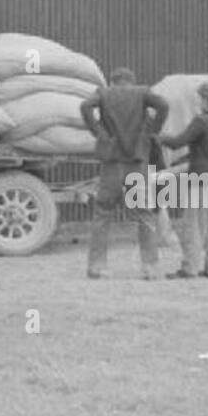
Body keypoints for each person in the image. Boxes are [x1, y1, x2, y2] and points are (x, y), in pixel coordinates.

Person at [80, 69, 169, 279]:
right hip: (136, 163)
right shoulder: (142, 92)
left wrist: (99, 133)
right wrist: (151, 132)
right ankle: (150, 267)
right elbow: (164, 105)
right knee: (144, 215)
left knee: (103, 214)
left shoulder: (104, 93)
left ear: (113, 81)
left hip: (111, 163)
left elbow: (85, 106)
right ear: (132, 80)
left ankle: (97, 266)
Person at [157, 81, 208, 279]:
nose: (198, 101)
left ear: (206, 100)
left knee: (194, 225)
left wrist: (159, 137)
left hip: (203, 180)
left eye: (200, 98)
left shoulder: (201, 121)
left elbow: (178, 143)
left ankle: (190, 268)